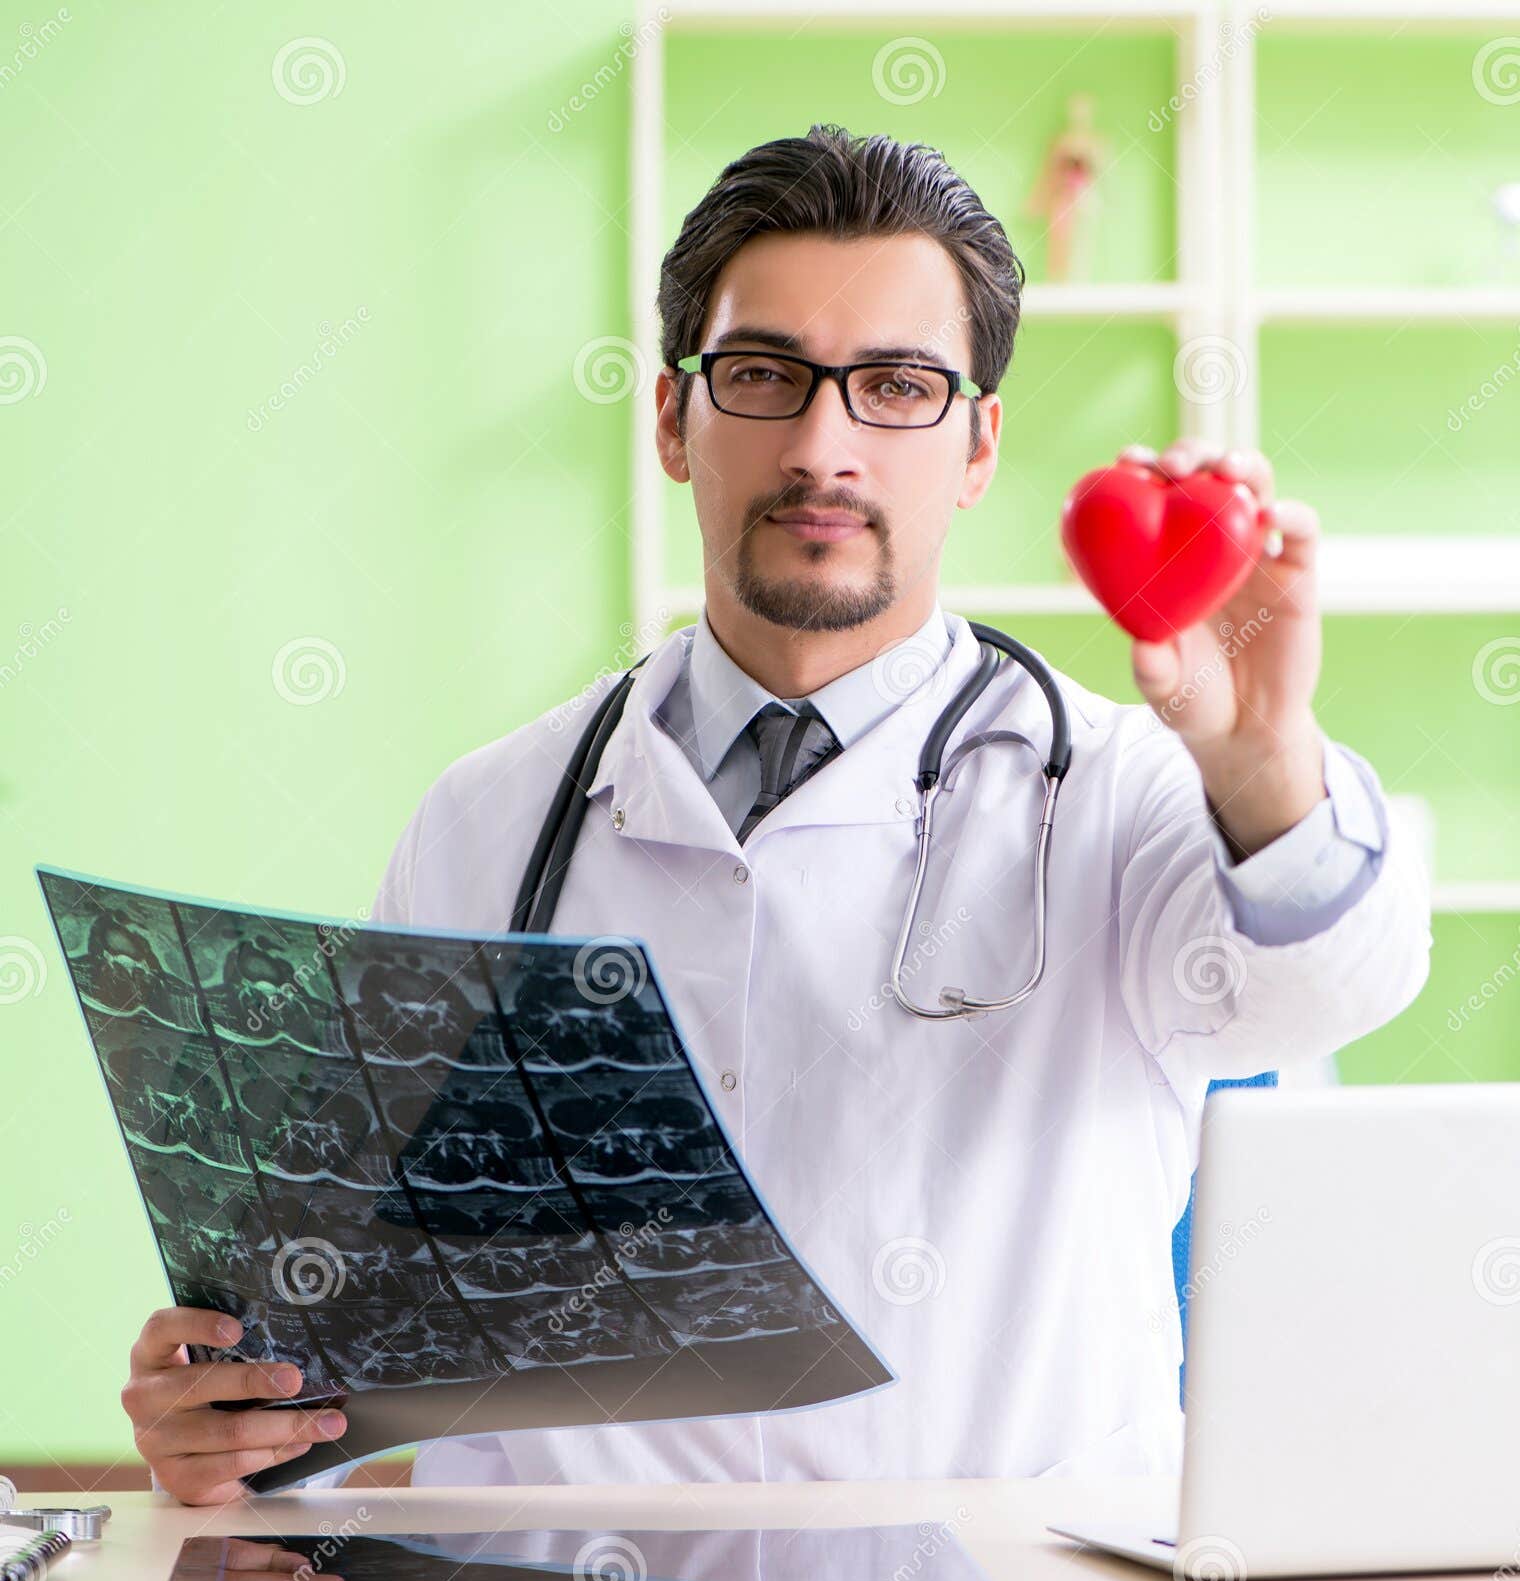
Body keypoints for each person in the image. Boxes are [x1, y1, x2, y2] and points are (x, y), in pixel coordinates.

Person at [124, 123, 1430, 1506]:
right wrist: (236, 1432)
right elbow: (341, 1341)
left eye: (897, 386)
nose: (823, 447)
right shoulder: (488, 822)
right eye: (762, 376)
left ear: (978, 445)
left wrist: (1262, 756)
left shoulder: (1116, 793)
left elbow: (1327, 989)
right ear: (672, 419)